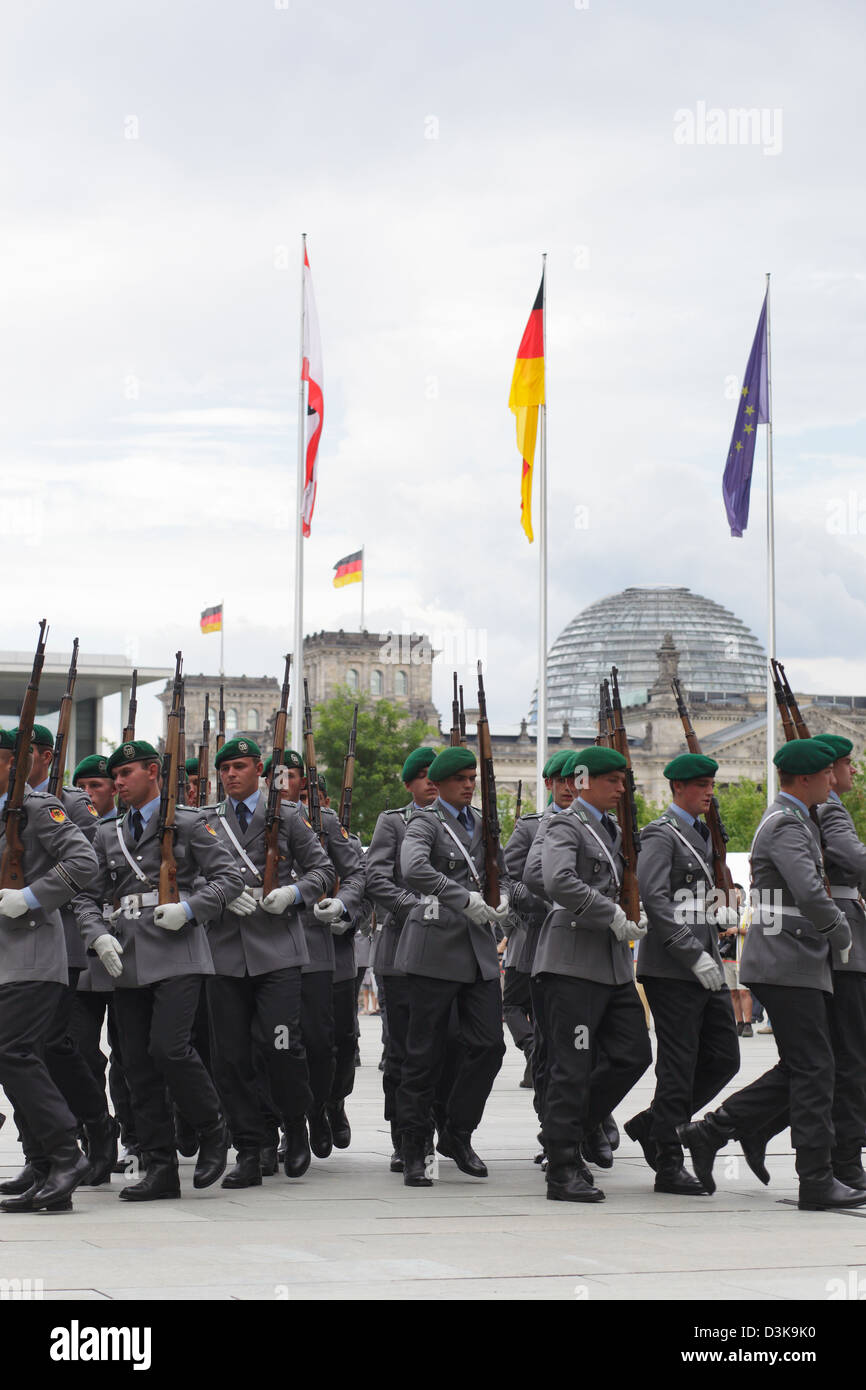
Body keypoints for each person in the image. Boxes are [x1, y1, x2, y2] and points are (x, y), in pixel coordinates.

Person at [678, 738, 866, 1211]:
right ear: (805, 778)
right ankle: (815, 1178)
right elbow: (807, 889)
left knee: (807, 1064)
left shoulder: (798, 820)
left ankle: (713, 1131)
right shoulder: (785, 824)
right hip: (788, 961)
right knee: (816, 1067)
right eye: (827, 774)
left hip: (797, 960)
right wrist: (840, 931)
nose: (834, 781)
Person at [73, 739, 244, 1201]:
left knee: (169, 1049)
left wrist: (191, 908)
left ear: (153, 772)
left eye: (125, 774)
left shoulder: (188, 823)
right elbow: (86, 896)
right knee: (136, 1064)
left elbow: (230, 879)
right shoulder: (108, 832)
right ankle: (160, 1166)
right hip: (127, 957)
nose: (117, 783)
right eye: (115, 776)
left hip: (179, 951)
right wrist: (97, 934)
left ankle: (212, 1126)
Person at [205, 736, 334, 1187]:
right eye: (224, 769)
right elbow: (189, 879)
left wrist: (294, 893)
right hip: (224, 952)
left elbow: (324, 871)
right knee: (232, 1057)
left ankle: (294, 1122)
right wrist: (212, 898)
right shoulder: (206, 823)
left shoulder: (288, 815)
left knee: (280, 1045)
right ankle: (250, 1145)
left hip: (277, 950)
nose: (231, 775)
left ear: (259, 769)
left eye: (239, 766)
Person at [0, 728, 117, 1202]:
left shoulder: (37, 808)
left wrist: (31, 897)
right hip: (6, 962)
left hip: (32, 956)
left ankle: (67, 1155)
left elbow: (85, 861)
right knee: (14, 1058)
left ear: (14, 764)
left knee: (14, 1053)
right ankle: (47, 1166)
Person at [535, 745, 652, 1203]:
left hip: (612, 965)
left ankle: (576, 1124)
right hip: (572, 962)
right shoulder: (565, 823)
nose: (621, 789)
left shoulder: (614, 829)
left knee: (633, 1053)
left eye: (623, 782)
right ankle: (563, 1169)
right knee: (571, 1066)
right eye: (612, 781)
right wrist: (611, 913)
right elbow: (558, 880)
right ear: (584, 781)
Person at [395, 746, 510, 1187]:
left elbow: (503, 873)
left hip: (478, 952)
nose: (468, 785)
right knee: (422, 1055)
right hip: (434, 950)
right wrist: (464, 898)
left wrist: (507, 902)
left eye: (471, 778)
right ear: (439, 784)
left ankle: (457, 1130)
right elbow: (414, 868)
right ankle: (414, 1146)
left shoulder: (483, 824)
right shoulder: (425, 821)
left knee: (488, 1046)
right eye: (460, 779)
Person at [626, 753, 740, 1195]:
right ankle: (669, 1162)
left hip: (704, 962)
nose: (709, 792)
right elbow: (654, 898)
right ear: (677, 789)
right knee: (678, 1063)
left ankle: (654, 1124)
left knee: (725, 1057)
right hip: (674, 967)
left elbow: (696, 896)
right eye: (701, 786)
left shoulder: (702, 834)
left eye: (711, 784)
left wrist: (719, 908)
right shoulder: (661, 834)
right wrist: (692, 953)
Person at [365, 746, 439, 1171]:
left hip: (449, 952)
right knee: (402, 1048)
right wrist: (416, 906)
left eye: (436, 774)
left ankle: (446, 1128)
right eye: (423, 775)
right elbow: (376, 878)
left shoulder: (461, 824)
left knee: (448, 1045)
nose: (432, 781)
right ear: (409, 783)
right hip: (400, 950)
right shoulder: (393, 822)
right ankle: (407, 1136)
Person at [502, 751, 574, 1089]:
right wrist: (539, 902)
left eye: (576, 780)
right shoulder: (531, 826)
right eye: (562, 781)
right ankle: (533, 1050)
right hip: (532, 933)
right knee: (514, 1003)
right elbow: (507, 877)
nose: (570, 788)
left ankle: (540, 1061)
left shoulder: (596, 827)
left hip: (573, 937)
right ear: (550, 784)